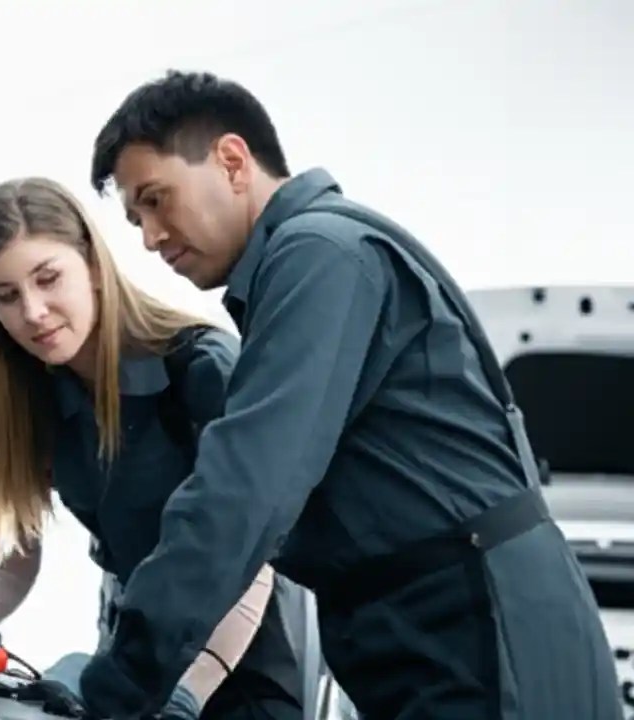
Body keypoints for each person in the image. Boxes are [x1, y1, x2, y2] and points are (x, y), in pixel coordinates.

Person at [72, 69, 622, 719]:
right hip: (439, 632)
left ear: (231, 160)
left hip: (480, 631)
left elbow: (243, 490)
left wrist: (118, 685)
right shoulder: (312, 259)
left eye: (157, 200)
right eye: (136, 219)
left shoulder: (320, 256)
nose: (150, 237)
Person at [0, 176, 304, 719]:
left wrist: (187, 693)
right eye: (7, 296)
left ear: (92, 265)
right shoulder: (33, 400)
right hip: (127, 674)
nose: (34, 312)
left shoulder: (201, 369)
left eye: (49, 279)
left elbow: (256, 562)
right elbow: (11, 559)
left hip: (234, 672)